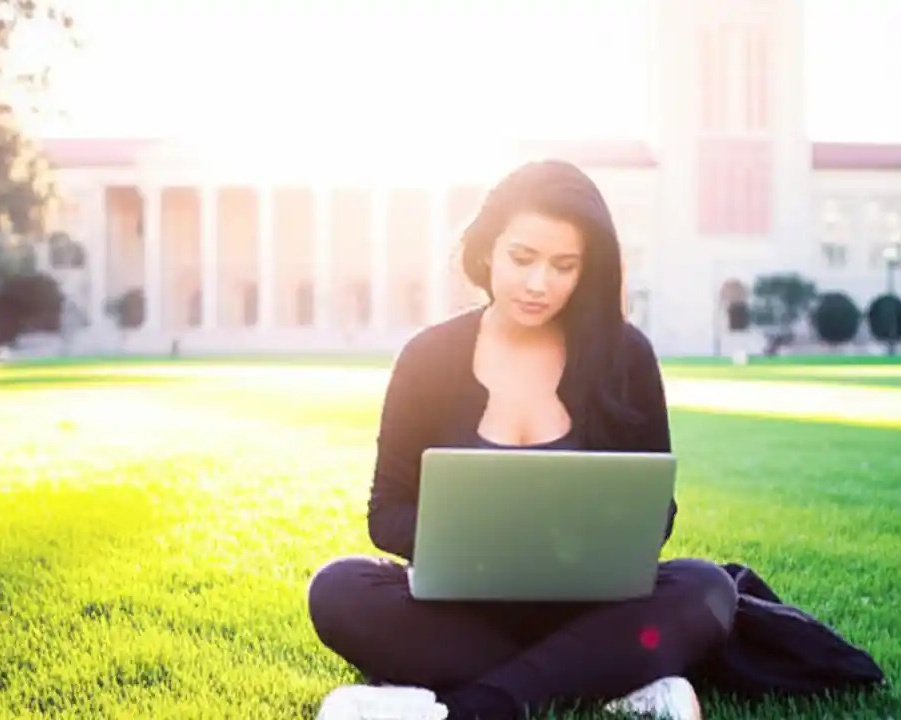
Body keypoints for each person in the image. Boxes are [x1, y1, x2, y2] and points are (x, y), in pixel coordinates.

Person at [307, 160, 738, 720]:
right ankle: (616, 690)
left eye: (565, 266)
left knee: (707, 589)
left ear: (590, 270)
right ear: (488, 249)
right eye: (522, 258)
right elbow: (385, 512)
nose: (539, 284)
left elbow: (657, 514)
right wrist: (471, 544)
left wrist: (581, 547)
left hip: (589, 608)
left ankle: (464, 706)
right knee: (337, 589)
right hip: (463, 608)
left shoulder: (625, 357)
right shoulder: (427, 357)